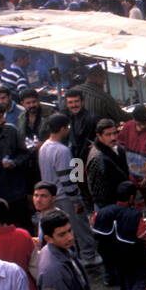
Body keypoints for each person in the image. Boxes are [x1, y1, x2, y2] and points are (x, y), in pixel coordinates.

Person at [39, 113, 98, 265]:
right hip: (65, 196)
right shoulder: (62, 150)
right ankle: (89, 256)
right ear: (62, 128)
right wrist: (76, 200)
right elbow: (67, 178)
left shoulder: (44, 147)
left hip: (53, 197)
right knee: (80, 227)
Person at [36, 210, 101, 290]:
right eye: (62, 234)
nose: (70, 237)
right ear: (48, 238)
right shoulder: (55, 272)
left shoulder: (60, 249)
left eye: (69, 231)